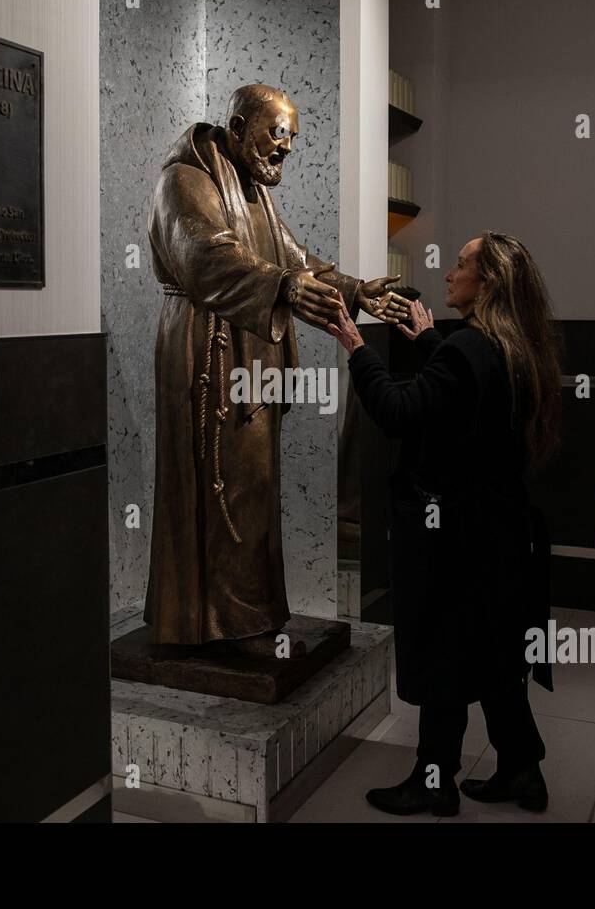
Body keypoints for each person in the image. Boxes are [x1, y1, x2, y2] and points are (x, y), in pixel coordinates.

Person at [144, 83, 408, 649]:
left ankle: (246, 616)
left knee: (253, 484)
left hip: (252, 350)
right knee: (220, 485)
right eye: (276, 133)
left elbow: (294, 261)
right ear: (238, 127)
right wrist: (286, 286)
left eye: (292, 138)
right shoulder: (184, 180)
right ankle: (207, 621)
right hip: (206, 350)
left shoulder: (252, 188)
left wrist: (356, 291)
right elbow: (204, 255)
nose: (285, 149)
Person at [327, 231, 563, 817]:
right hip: (503, 532)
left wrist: (357, 345)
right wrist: (432, 339)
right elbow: (465, 399)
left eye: (460, 266)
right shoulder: (513, 347)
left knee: (444, 654)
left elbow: (402, 411)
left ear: (486, 284)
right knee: (496, 654)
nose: (448, 273)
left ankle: (433, 781)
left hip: (456, 535)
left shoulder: (471, 350)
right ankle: (521, 770)